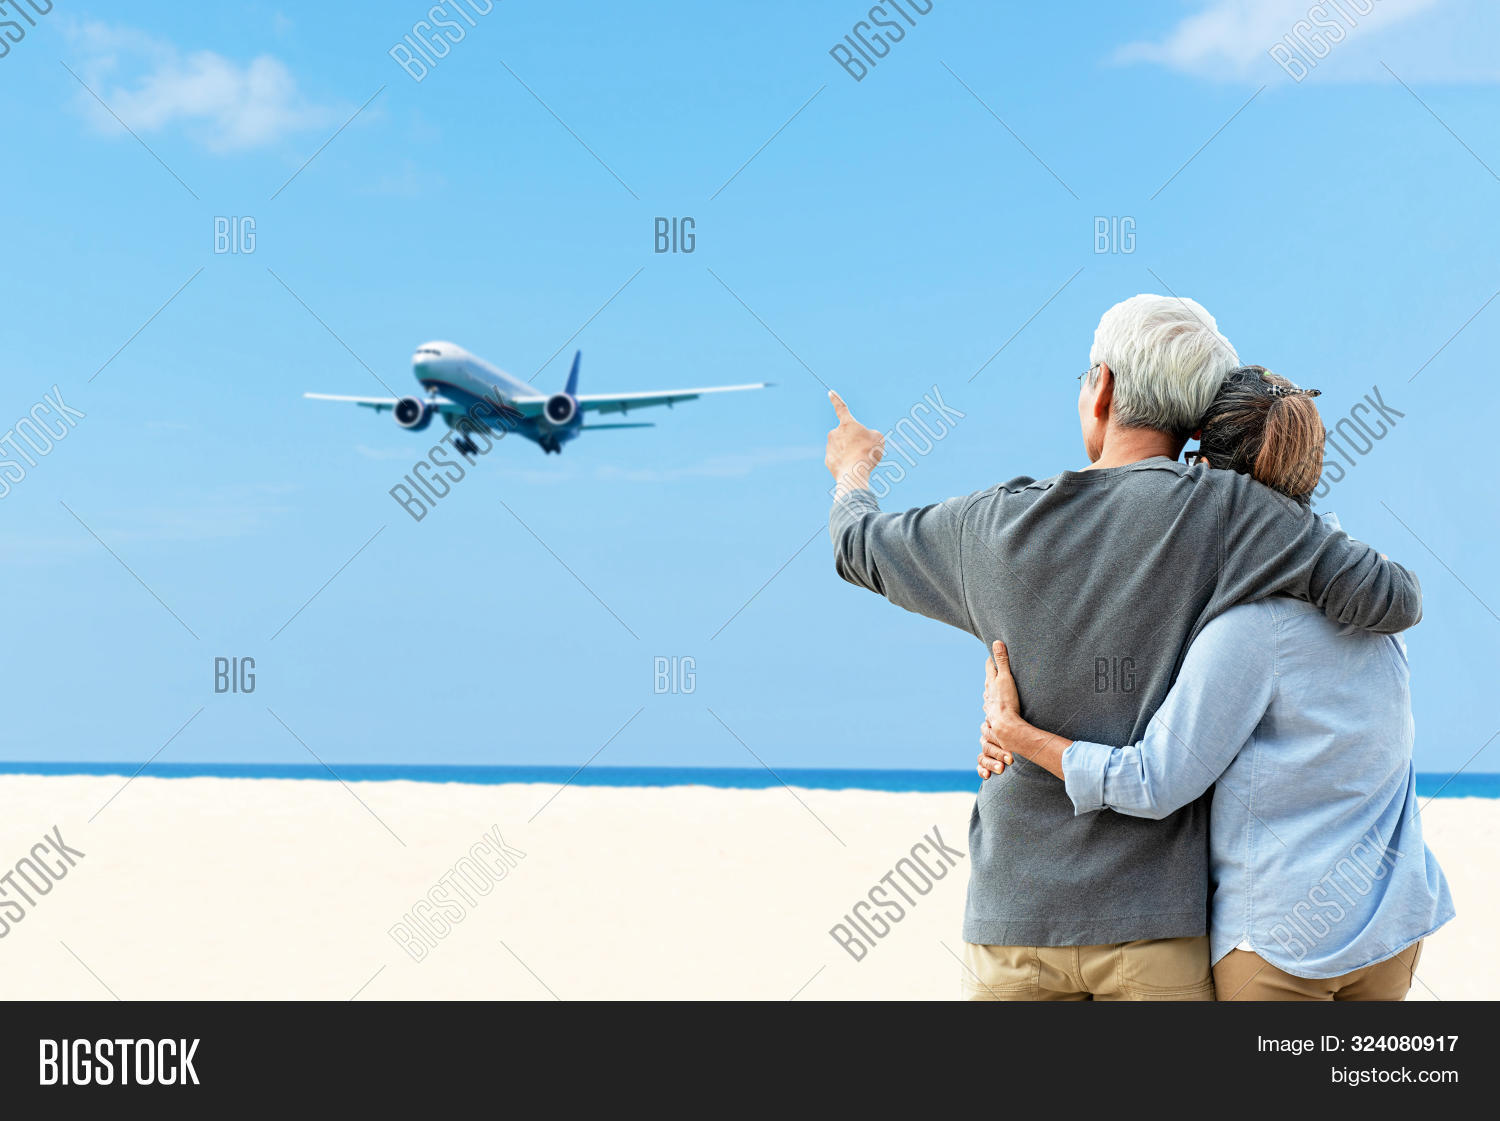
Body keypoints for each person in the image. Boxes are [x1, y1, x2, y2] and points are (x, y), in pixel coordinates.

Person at [825, 294, 1423, 1000]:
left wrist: (853, 471)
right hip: (1156, 927)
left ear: (1101, 386)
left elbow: (856, 547)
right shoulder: (1234, 514)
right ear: (1197, 416)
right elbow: (1391, 598)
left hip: (1014, 916)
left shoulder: (986, 527)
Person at [977, 366, 1452, 1000]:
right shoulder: (1371, 601)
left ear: (1204, 471)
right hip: (1393, 923)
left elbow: (1152, 781)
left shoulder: (1251, 629)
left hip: (1283, 946)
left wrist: (1019, 735)